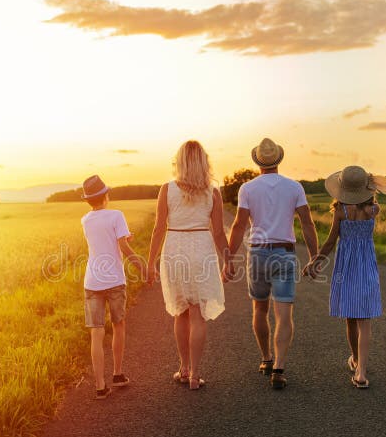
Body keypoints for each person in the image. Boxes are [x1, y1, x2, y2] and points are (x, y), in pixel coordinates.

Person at [225, 137, 319, 389]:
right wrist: (314, 255)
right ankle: (279, 367)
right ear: (279, 160)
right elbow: (307, 223)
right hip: (285, 254)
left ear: (258, 162)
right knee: (284, 313)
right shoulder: (294, 187)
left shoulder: (247, 188)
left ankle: (265, 358)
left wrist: (228, 258)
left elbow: (239, 225)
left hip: (257, 254)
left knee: (260, 310)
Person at [147, 140, 231, 390]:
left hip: (175, 249)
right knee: (197, 313)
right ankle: (195, 374)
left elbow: (158, 228)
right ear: (203, 162)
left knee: (180, 311)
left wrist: (150, 262)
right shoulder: (212, 192)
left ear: (180, 161)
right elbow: (218, 232)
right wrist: (227, 259)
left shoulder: (167, 189)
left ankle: (183, 368)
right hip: (201, 249)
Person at [301, 165, 386, 389]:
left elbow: (332, 241)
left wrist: (315, 261)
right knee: (365, 321)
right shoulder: (374, 210)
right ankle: (361, 371)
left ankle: (355, 359)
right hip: (366, 265)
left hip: (346, 266)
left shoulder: (341, 211)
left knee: (350, 316)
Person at [80, 175, 147, 400]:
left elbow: (102, 242)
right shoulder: (116, 215)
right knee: (118, 325)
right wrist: (142, 268)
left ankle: (100, 386)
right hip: (114, 281)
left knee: (96, 333)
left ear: (89, 200)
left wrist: (123, 237)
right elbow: (122, 247)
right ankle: (117, 374)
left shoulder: (85, 220)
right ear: (106, 196)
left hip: (92, 282)